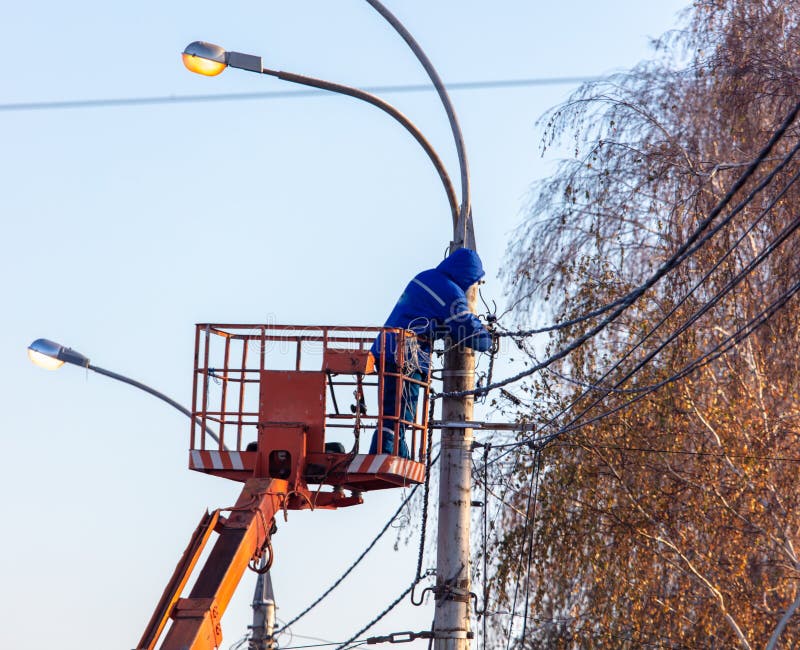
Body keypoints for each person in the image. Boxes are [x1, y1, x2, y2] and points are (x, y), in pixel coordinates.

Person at [369, 248, 492, 457]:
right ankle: (387, 452)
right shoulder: (450, 292)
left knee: (392, 408)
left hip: (387, 347)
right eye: (473, 281)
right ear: (467, 274)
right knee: (401, 409)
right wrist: (487, 337)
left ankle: (391, 448)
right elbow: (468, 329)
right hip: (407, 353)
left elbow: (427, 315)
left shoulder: (427, 276)